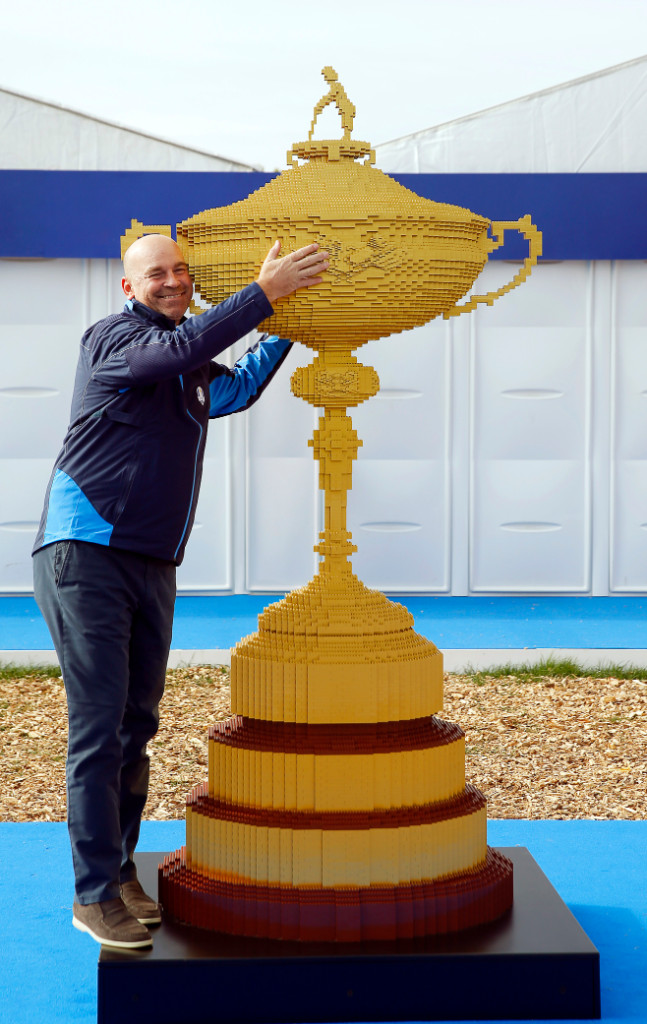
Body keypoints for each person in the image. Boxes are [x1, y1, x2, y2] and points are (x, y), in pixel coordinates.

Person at [32, 233, 328, 950]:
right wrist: (264, 294)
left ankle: (119, 871)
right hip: (86, 551)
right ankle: (93, 894)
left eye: (181, 271)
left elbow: (238, 387)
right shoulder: (113, 339)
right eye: (155, 273)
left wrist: (287, 322)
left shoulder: (188, 366)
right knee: (99, 727)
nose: (172, 281)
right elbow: (174, 351)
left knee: (136, 725)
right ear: (129, 288)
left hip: (151, 560)